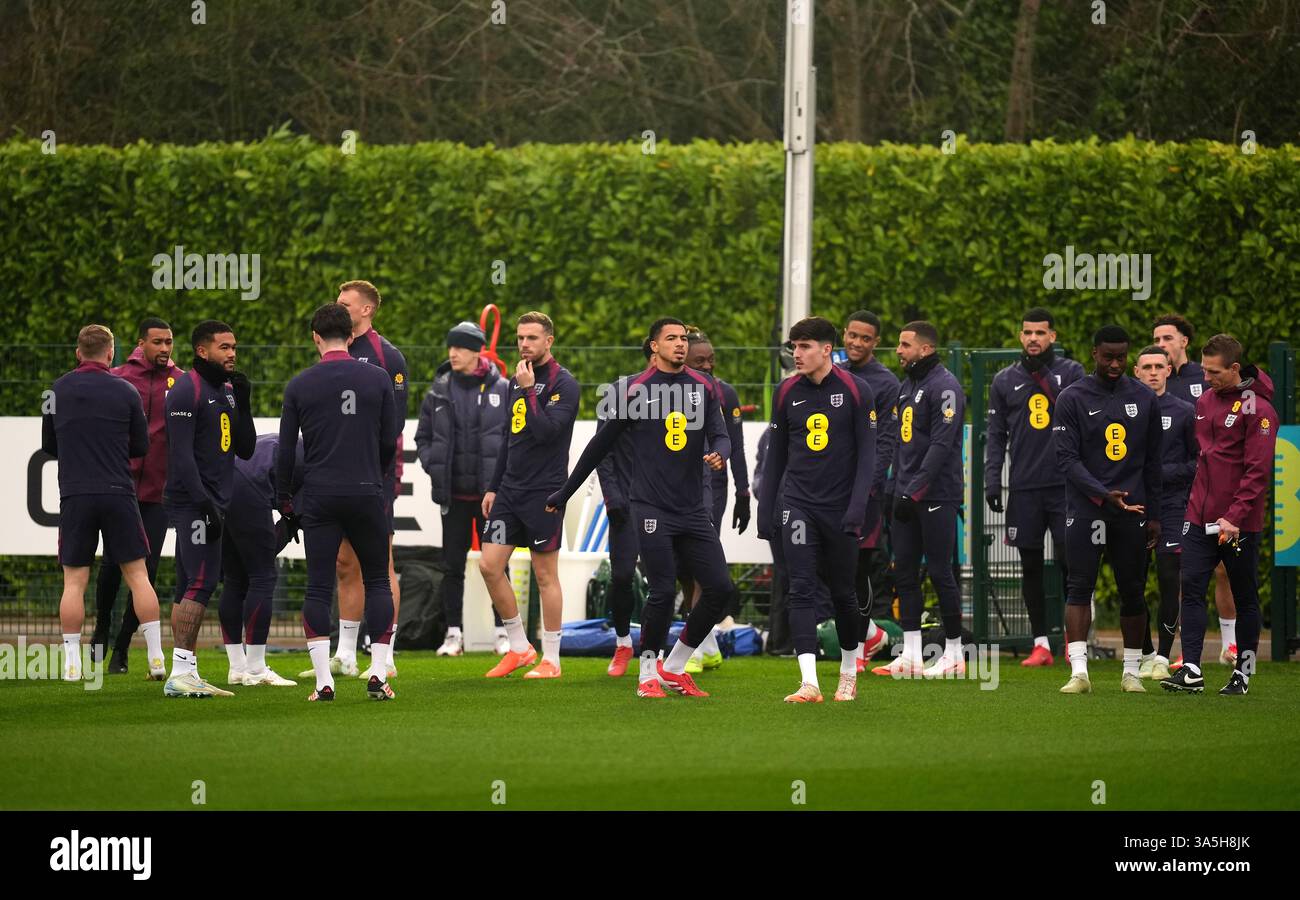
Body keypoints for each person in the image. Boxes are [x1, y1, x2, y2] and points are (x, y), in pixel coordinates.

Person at [546, 317, 732, 699]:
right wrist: (564, 493)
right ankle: (647, 672)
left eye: (684, 338)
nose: (681, 344)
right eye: (672, 339)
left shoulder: (704, 386)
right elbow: (600, 447)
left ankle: (675, 666)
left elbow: (721, 435)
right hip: (650, 509)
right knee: (662, 590)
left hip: (693, 509)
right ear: (653, 346)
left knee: (720, 590)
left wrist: (720, 454)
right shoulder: (633, 391)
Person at [279, 303, 401, 701]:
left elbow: (285, 452)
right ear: (351, 336)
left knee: (317, 587)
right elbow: (390, 439)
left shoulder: (299, 385)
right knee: (378, 579)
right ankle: (379, 673)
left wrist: (284, 499)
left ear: (315, 336)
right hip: (367, 491)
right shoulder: (380, 378)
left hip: (320, 494)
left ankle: (322, 683)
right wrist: (376, 473)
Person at [758, 317, 876, 702]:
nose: (797, 353)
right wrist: (766, 512)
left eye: (805, 346)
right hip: (798, 506)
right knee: (801, 587)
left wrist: (857, 509)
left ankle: (847, 672)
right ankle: (809, 681)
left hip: (841, 509)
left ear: (827, 349)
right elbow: (775, 457)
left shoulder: (858, 391)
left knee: (843, 593)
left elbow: (868, 458)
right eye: (794, 346)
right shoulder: (786, 391)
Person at [43, 325, 166, 682]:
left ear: (78, 352)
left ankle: (71, 664)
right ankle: (157, 658)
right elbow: (141, 447)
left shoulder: (56, 390)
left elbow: (50, 443)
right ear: (110, 353)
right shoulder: (126, 390)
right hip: (118, 492)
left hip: (76, 493)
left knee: (74, 582)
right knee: (139, 577)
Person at [1162, 335, 1277, 696]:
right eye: (1204, 369)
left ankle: (1242, 674)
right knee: (1191, 588)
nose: (1207, 377)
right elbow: (1204, 459)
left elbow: (1257, 472)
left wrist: (1235, 516)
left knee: (1244, 598)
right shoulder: (1204, 401)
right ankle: (1193, 669)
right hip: (1198, 516)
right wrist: (1194, 507)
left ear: (1234, 368)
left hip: (1238, 523)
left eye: (1214, 372)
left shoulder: (1258, 410)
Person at [1054, 325, 1162, 694]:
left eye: (1121, 357)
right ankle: (1079, 671)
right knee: (1078, 587)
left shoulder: (1145, 398)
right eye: (1108, 357)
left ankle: (1131, 672)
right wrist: (1102, 494)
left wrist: (1157, 515)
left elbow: (1152, 463)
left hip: (1132, 511)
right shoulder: (1072, 397)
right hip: (1087, 508)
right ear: (1094, 353)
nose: (1115, 364)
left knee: (1132, 589)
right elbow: (1066, 459)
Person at [480, 312, 580, 679]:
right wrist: (493, 486)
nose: (524, 344)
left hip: (544, 492)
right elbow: (510, 438)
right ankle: (520, 648)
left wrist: (526, 389)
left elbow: (547, 432)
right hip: (510, 491)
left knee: (544, 574)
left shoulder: (564, 384)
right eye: (520, 337)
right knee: (489, 565)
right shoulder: (514, 382)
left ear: (549, 341)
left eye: (532, 338)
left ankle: (551, 659)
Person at [984, 307, 1085, 666]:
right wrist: (993, 479)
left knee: (1070, 562)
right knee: (1029, 565)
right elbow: (995, 436)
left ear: (1052, 336)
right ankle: (1041, 643)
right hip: (1025, 487)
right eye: (1027, 332)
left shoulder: (1072, 373)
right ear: (1020, 336)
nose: (1033, 339)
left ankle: (1076, 642)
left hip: (1065, 486)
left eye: (1040, 333)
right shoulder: (1003, 380)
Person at [162, 320, 256, 698]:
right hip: (194, 502)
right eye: (224, 347)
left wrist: (245, 401)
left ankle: (184, 671)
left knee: (188, 584)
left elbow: (245, 448)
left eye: (234, 346)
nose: (232, 353)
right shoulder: (186, 389)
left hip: (215, 502)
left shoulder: (229, 390)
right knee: (202, 582)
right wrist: (205, 505)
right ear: (203, 351)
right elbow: (180, 456)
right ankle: (181, 673)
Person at [872, 321, 966, 679]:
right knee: (905, 572)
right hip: (905, 492)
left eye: (904, 344)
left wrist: (915, 490)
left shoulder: (945, 387)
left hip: (936, 494)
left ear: (924, 349)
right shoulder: (907, 385)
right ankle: (911, 655)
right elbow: (899, 442)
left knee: (941, 572)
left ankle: (955, 654)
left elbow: (941, 446)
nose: (898, 350)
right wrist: (895, 488)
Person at [90, 317, 183, 674]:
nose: (164, 349)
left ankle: (123, 648)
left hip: (159, 493)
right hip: (121, 489)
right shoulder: (118, 378)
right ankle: (101, 627)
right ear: (141, 343)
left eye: (169, 342)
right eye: (157, 342)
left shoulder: (182, 381)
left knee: (148, 569)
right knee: (113, 565)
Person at [413, 321, 510, 657]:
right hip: (452, 497)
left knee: (497, 565)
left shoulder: (504, 389)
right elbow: (422, 438)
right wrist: (433, 465)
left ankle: (505, 633)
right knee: (452, 566)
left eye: (461, 348)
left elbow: (513, 439)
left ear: (477, 351)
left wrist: (499, 484)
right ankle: (454, 634)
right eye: (451, 347)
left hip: (492, 498)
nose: (453, 353)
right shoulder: (438, 391)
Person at [330, 280, 408, 679]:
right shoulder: (332, 350)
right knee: (345, 563)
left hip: (374, 475)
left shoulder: (386, 356)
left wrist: (377, 472)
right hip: (336, 473)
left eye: (346, 304)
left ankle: (386, 654)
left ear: (367, 310)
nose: (338, 308)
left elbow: (393, 425)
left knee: (381, 562)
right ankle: (344, 653)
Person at [1154, 314, 1238, 668]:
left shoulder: (1202, 379)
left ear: (1184, 341)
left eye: (1167, 339)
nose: (1162, 346)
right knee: (1183, 572)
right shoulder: (1155, 383)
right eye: (1156, 340)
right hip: (1180, 496)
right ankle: (1183, 654)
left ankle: (1231, 644)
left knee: (1224, 570)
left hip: (1213, 487)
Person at [682, 329, 750, 673]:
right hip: (675, 488)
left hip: (714, 490)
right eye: (700, 361)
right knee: (682, 570)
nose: (708, 366)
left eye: (711, 360)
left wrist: (743, 492)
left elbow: (734, 445)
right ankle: (707, 646)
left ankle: (692, 650)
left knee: (698, 568)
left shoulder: (725, 393)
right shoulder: (669, 391)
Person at [1132, 346, 1196, 681]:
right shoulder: (1125, 410)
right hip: (1135, 507)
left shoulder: (1185, 411)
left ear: (1169, 371)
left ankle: (1162, 656)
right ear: (1136, 371)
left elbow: (1196, 462)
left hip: (1172, 506)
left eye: (1160, 366)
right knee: (1134, 582)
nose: (1154, 372)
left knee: (1171, 579)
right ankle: (1142, 654)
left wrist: (1160, 474)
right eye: (1148, 367)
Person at [839, 310, 899, 670]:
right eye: (853, 336)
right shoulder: (831, 374)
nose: (857, 343)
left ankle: (860, 647)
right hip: (828, 493)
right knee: (833, 571)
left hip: (865, 498)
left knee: (857, 571)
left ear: (876, 343)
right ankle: (873, 634)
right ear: (844, 335)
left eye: (866, 338)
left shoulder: (886, 383)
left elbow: (886, 444)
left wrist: (865, 490)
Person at [220, 433, 302, 687]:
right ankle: (255, 669)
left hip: (224, 476)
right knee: (263, 576)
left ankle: (237, 667)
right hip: (249, 484)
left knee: (235, 578)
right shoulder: (326, 461)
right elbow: (293, 520)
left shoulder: (304, 444)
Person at [595, 340, 653, 676]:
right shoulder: (620, 392)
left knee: (662, 580)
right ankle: (622, 644)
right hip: (627, 504)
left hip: (665, 503)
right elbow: (602, 449)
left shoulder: (687, 393)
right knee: (620, 577)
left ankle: (652, 649)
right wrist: (613, 496)